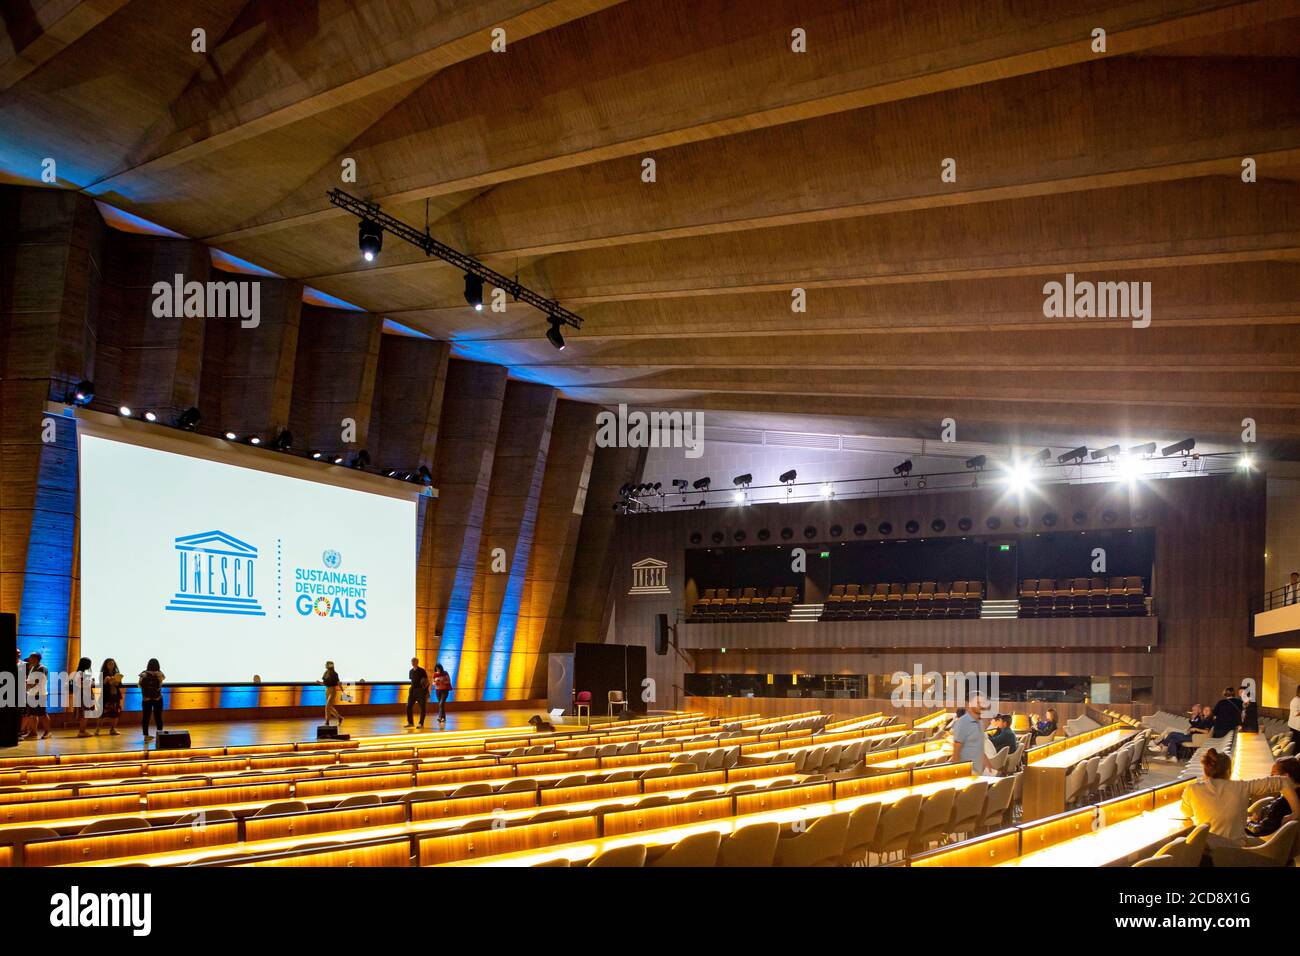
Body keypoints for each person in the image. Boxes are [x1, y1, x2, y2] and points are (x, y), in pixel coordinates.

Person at [1180, 748, 1298, 852]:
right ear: (1228, 771)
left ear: (1205, 770)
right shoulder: (1243, 786)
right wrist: (1296, 814)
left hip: (1213, 852)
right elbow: (1284, 781)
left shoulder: (1192, 789)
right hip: (1237, 850)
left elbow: (1186, 815)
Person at [1246, 758, 1300, 839]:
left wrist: (1247, 823)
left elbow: (1261, 830)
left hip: (1262, 844)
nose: (1270, 777)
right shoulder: (1294, 794)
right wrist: (1260, 817)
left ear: (1285, 776)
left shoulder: (1282, 803)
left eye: (1273, 774)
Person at [950, 697, 988, 775]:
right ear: (970, 704)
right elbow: (956, 749)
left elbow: (979, 745)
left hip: (978, 771)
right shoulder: (962, 722)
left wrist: (986, 761)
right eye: (978, 703)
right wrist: (956, 771)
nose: (981, 705)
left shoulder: (980, 722)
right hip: (966, 771)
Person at [19, 653, 51, 740]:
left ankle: (48, 732)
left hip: (40, 694)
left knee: (42, 714)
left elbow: (36, 681)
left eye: (31, 657)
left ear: (36, 658)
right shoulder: (33, 668)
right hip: (32, 694)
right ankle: (33, 732)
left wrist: (26, 684)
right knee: (32, 714)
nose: (29, 659)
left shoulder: (41, 668)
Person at [138, 659, 165, 739]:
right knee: (158, 717)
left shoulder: (143, 674)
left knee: (146, 717)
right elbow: (160, 685)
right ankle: (160, 734)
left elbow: (139, 685)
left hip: (146, 699)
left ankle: (146, 735)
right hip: (158, 698)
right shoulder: (160, 674)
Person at [68, 657, 94, 738]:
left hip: (84, 695)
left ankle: (83, 730)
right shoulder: (80, 673)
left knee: (84, 714)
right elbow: (79, 685)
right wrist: (90, 683)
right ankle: (81, 731)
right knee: (84, 714)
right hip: (83, 696)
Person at [96, 659, 122, 736]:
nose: (111, 665)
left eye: (113, 664)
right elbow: (100, 685)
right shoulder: (103, 674)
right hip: (106, 696)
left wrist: (117, 683)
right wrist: (105, 681)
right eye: (109, 664)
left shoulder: (116, 674)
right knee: (103, 714)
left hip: (115, 695)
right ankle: (97, 730)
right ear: (106, 665)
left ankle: (113, 729)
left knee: (116, 713)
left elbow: (120, 685)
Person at [406, 657, 429, 729]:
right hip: (412, 691)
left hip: (420, 691)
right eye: (411, 661)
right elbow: (412, 681)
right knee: (408, 706)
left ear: (417, 662)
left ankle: (421, 723)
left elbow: (426, 681)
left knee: (422, 707)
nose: (412, 663)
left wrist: (425, 691)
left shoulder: (422, 671)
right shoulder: (411, 671)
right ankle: (410, 723)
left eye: (414, 661)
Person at [322, 661, 343, 726]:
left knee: (327, 706)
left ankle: (327, 722)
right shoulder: (325, 673)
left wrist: (342, 690)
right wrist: (319, 683)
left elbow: (338, 683)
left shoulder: (335, 674)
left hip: (332, 690)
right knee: (329, 707)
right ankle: (339, 717)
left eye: (327, 664)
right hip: (327, 690)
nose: (325, 665)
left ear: (330, 665)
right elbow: (324, 683)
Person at [1289, 684, 1300, 755]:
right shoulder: (1296, 700)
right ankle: (1294, 762)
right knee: (1296, 746)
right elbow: (1295, 713)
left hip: (1296, 726)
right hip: (1296, 727)